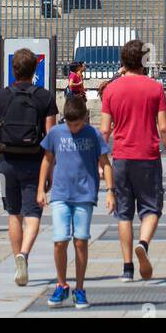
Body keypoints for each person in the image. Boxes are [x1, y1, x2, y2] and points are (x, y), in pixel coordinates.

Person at [0, 46, 58, 285]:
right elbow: (50, 137)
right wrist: (50, 170)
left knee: (13, 213)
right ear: (35, 70)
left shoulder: (1, 96)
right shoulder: (45, 97)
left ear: (13, 69)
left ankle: (16, 259)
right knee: (33, 214)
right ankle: (24, 254)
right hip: (34, 161)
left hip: (6, 161)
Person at [99, 39, 166, 284]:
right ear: (144, 60)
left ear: (123, 61)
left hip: (121, 157)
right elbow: (163, 127)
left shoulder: (111, 90)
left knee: (124, 215)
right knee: (152, 209)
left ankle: (127, 269)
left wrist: (101, 162)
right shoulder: (155, 88)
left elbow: (103, 131)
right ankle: (143, 243)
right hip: (148, 157)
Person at [38, 94, 115, 309]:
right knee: (60, 240)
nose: (74, 128)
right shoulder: (56, 133)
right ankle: (61, 284)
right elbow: (47, 160)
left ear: (85, 118)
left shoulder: (93, 134)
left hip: (85, 194)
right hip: (61, 194)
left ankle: (79, 288)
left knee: (81, 240)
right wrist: (40, 189)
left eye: (78, 124)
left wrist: (110, 191)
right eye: (70, 124)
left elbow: (106, 163)